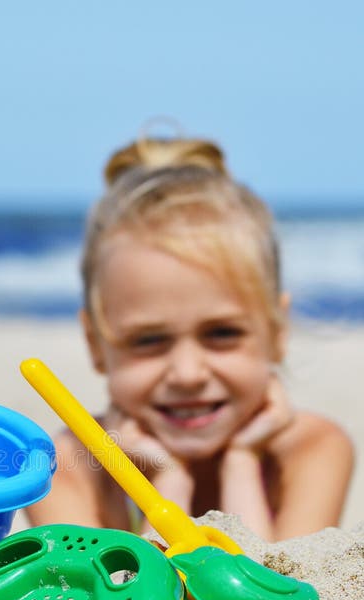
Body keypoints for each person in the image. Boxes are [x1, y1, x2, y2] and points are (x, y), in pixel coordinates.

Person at [26, 131, 354, 541]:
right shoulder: (65, 467)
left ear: (277, 332)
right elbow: (144, 588)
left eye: (222, 333)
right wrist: (169, 480)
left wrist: (241, 464)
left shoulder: (313, 449)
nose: (187, 374)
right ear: (95, 343)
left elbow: (266, 582)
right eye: (148, 341)